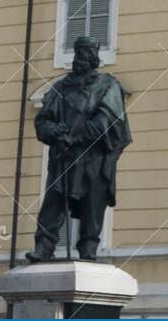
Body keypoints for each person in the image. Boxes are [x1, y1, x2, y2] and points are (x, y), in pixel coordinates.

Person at [27, 35, 131, 262]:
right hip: (63, 157)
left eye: (85, 54)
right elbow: (42, 122)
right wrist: (54, 133)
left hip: (93, 156)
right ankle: (44, 246)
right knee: (54, 201)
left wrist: (73, 138)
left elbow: (106, 122)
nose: (80, 59)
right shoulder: (59, 88)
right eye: (77, 54)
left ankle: (88, 249)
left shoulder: (108, 86)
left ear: (94, 58)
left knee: (93, 204)